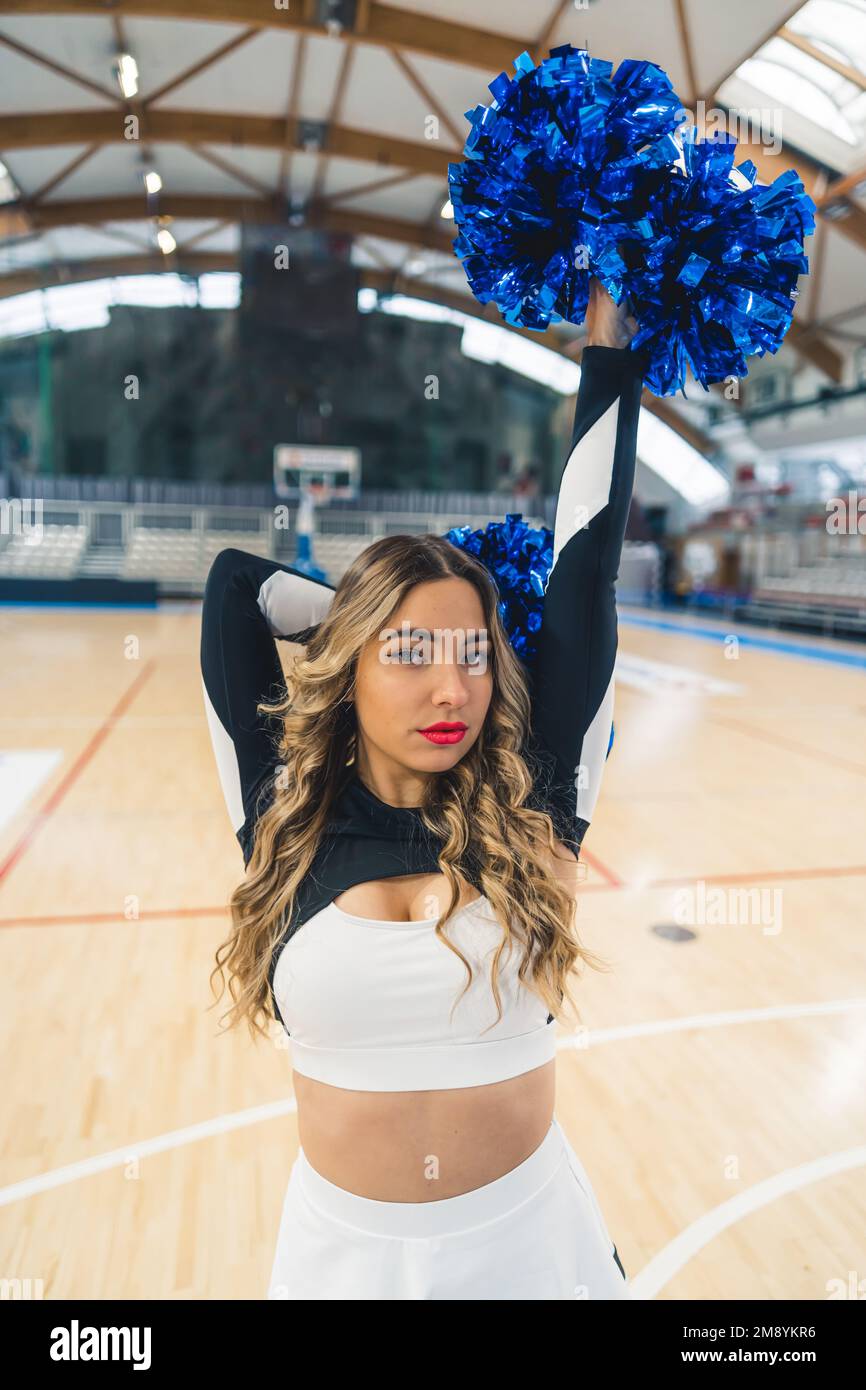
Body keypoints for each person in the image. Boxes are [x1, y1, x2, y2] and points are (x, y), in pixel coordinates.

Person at [199, 280, 642, 1300]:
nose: (452, 687)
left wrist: (607, 332)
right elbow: (233, 585)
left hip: (529, 1250)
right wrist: (365, 614)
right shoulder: (283, 818)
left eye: (471, 654)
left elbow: (587, 555)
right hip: (339, 1262)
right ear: (348, 661)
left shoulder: (540, 793)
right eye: (411, 653)